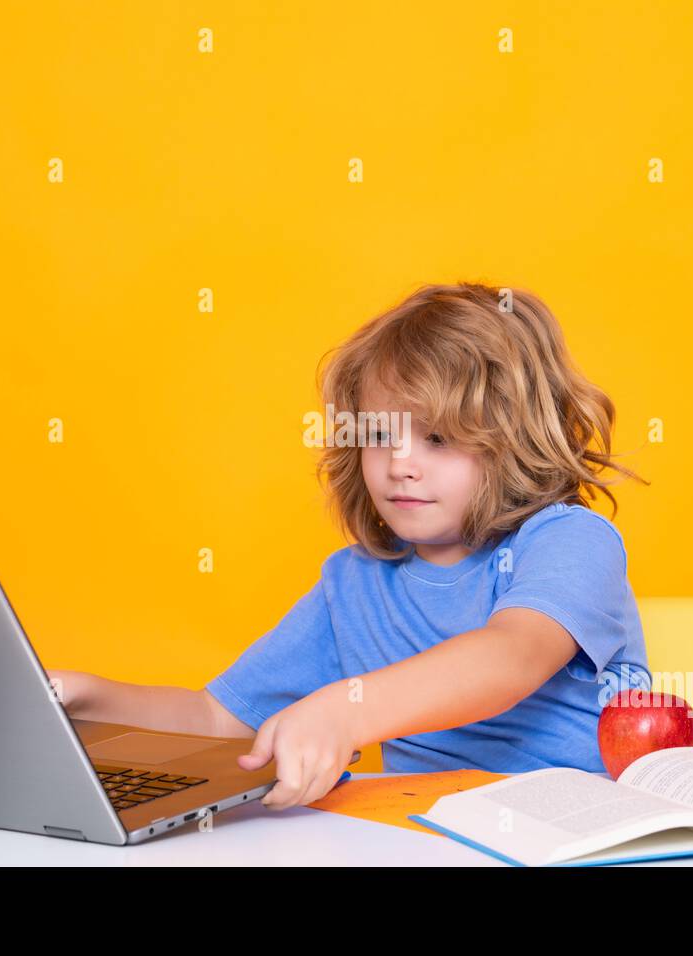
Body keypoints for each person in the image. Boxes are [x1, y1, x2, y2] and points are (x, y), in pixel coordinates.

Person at [50, 281, 651, 811]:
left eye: (439, 438)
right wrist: (91, 698)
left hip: (573, 836)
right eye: (380, 434)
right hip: (424, 839)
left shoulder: (571, 540)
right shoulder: (355, 583)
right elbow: (217, 719)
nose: (399, 465)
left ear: (515, 441)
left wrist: (347, 710)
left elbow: (511, 657)